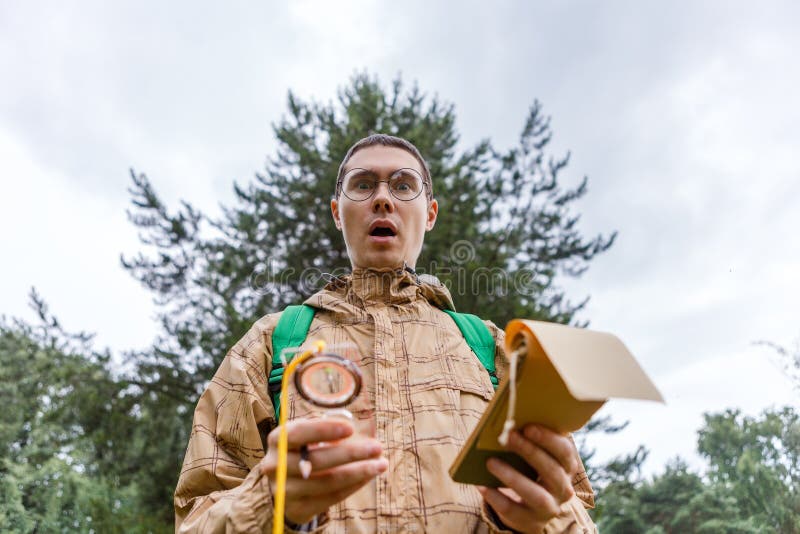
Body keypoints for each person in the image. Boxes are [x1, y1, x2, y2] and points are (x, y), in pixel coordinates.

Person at [174, 134, 598, 533]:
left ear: (429, 213)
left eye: (402, 185)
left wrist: (545, 520)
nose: (382, 198)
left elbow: (576, 509)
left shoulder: (493, 349)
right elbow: (197, 513)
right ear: (337, 211)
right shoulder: (271, 343)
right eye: (362, 185)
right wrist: (268, 503)